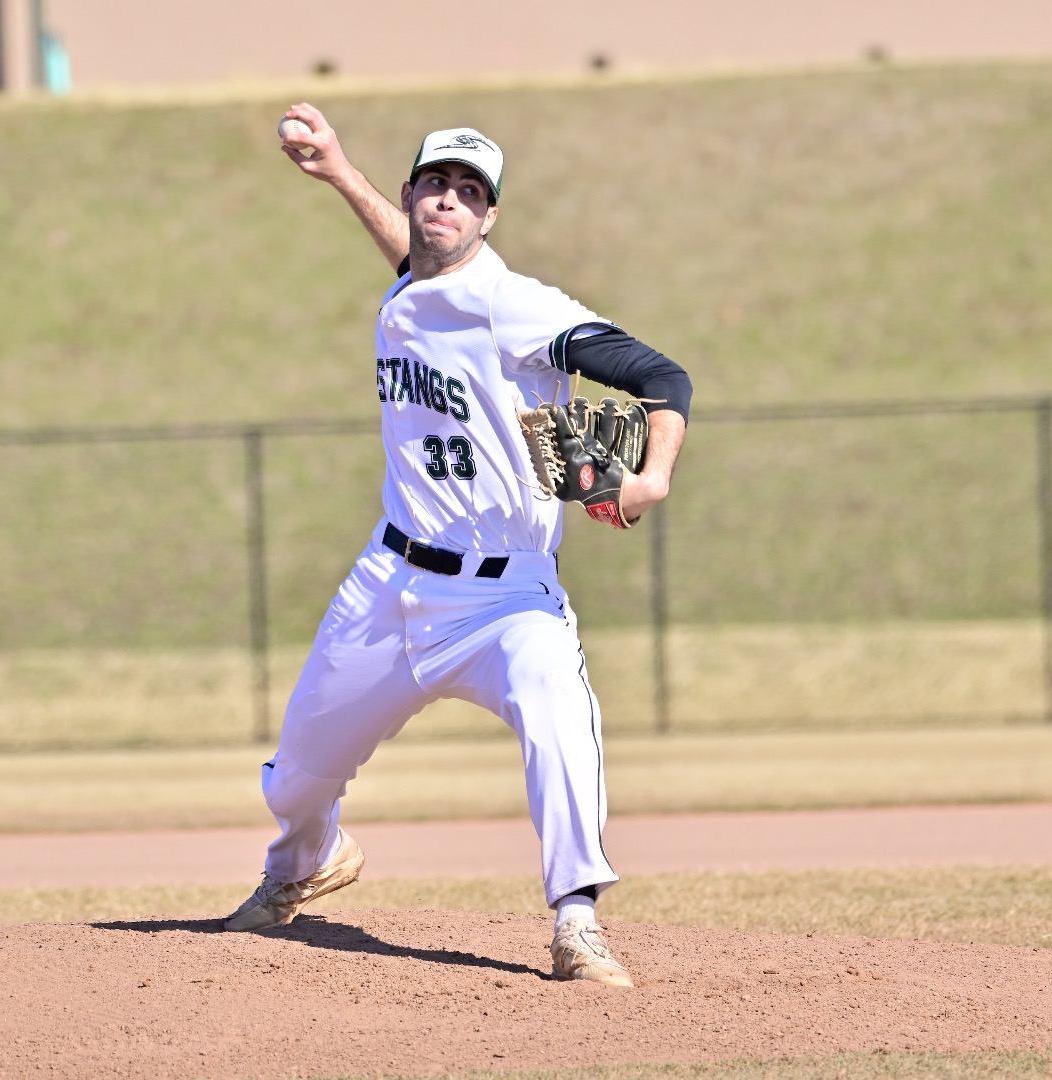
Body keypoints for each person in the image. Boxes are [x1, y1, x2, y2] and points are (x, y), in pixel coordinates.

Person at [222, 104, 694, 988]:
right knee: (294, 781)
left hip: (506, 598)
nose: (449, 200)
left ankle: (577, 922)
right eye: (435, 184)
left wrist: (651, 477)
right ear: (411, 195)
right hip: (389, 581)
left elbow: (663, 378)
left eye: (470, 192)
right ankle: (304, 865)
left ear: (490, 216)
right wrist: (338, 171)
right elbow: (414, 259)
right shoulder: (413, 288)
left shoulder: (519, 306)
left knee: (557, 710)